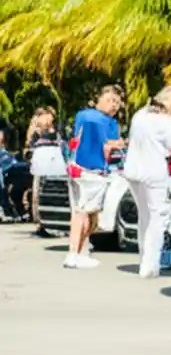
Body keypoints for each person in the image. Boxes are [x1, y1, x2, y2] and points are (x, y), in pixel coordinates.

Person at [123, 85, 171, 278]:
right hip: (154, 172)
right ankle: (150, 264)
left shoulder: (140, 115)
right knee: (158, 217)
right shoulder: (167, 121)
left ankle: (144, 258)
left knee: (144, 217)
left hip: (132, 170)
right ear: (169, 100)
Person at [65, 85, 126, 269]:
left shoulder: (109, 122)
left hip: (98, 171)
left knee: (92, 216)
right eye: (109, 100)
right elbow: (108, 145)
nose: (113, 105)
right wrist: (124, 143)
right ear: (97, 100)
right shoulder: (91, 117)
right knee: (82, 212)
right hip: (86, 170)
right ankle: (73, 253)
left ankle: (81, 250)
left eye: (117, 102)